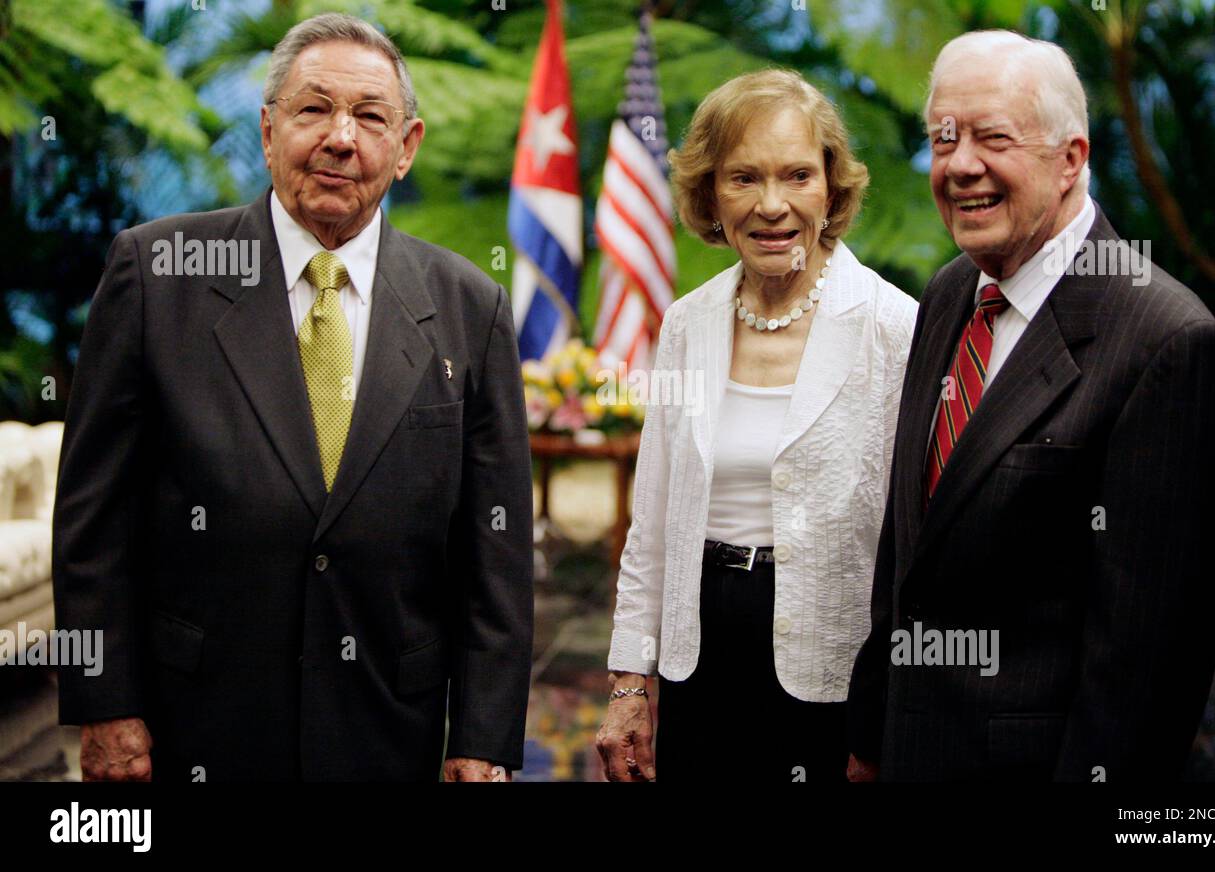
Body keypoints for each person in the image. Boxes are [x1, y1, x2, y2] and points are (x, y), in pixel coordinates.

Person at [52, 13, 533, 781]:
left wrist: (482, 739)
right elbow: (94, 517)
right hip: (197, 723)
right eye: (314, 109)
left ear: (405, 149)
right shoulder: (157, 273)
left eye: (370, 117)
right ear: (270, 129)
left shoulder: (470, 307)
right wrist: (107, 703)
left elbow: (495, 551)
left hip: (388, 726)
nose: (341, 138)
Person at [846, 30, 1215, 781]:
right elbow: (909, 550)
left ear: (1070, 159)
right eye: (944, 138)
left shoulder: (1168, 343)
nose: (961, 164)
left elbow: (1150, 663)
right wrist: (870, 738)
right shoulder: (948, 294)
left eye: (993, 138)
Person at [596, 69, 917, 782]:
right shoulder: (685, 324)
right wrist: (628, 684)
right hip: (699, 662)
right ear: (711, 193)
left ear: (831, 187)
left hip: (835, 673)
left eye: (797, 175)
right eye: (744, 178)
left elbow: (913, 548)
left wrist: (888, 711)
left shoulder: (894, 327)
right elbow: (651, 522)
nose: (772, 206)